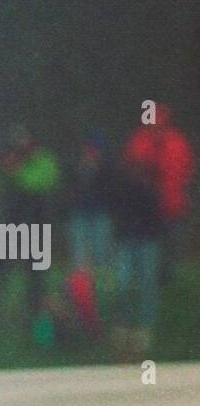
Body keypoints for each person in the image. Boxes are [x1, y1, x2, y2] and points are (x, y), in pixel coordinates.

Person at [0, 125, 60, 317]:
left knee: (35, 269)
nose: (21, 147)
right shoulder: (13, 161)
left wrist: (15, 171)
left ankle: (35, 306)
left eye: (24, 142)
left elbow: (40, 182)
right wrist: (4, 169)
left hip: (37, 222)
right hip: (12, 221)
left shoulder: (45, 160)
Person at [124, 105, 194, 286]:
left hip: (172, 204)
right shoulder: (140, 140)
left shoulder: (178, 142)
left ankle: (168, 279)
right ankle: (145, 279)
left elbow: (187, 171)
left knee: (170, 244)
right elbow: (132, 168)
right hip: (145, 207)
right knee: (146, 244)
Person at [110, 153, 165, 352]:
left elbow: (155, 219)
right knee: (123, 284)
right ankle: (123, 328)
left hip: (146, 243)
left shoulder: (151, 191)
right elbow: (118, 216)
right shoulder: (122, 190)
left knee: (146, 285)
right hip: (127, 242)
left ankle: (144, 329)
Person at [67, 129, 115, 272]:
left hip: (101, 213)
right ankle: (82, 289)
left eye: (96, 148)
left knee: (101, 253)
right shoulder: (75, 163)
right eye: (89, 147)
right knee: (80, 256)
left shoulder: (108, 167)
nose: (91, 151)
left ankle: (102, 287)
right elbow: (69, 188)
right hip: (79, 213)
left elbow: (111, 191)